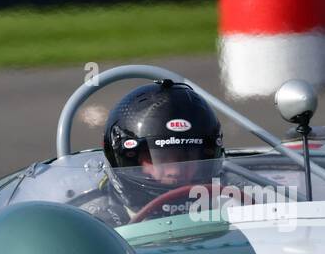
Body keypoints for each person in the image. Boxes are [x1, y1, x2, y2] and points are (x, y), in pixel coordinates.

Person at [88, 79, 225, 225]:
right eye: (161, 158)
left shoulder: (234, 197)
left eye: (187, 157)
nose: (175, 171)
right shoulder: (94, 222)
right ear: (129, 158)